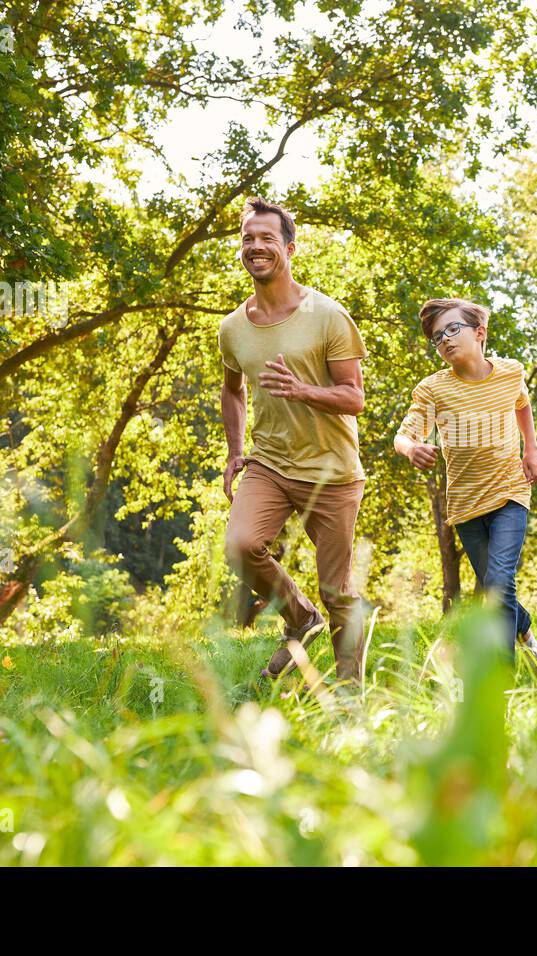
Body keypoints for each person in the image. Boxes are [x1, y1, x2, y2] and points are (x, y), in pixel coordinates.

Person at [218, 196, 369, 684]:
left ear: (289, 247)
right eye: (247, 238)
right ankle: (301, 620)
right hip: (269, 464)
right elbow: (232, 389)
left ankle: (348, 691)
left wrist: (303, 390)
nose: (255, 246)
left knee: (339, 591)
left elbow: (355, 397)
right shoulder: (233, 328)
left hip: (332, 470)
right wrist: (235, 450)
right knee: (241, 545)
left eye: (267, 238)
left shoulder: (327, 315)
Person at [394, 298, 537, 665]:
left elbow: (521, 403)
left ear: (479, 333)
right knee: (498, 588)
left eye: (453, 329)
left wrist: (532, 449)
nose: (444, 340)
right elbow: (403, 436)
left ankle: (502, 680)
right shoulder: (434, 390)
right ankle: (530, 640)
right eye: (437, 337)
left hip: (510, 491)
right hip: (465, 506)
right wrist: (411, 449)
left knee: (498, 582)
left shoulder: (510, 371)